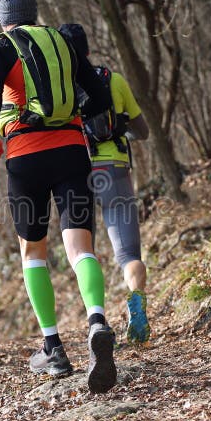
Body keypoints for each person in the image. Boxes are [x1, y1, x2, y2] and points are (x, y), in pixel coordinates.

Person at [0, 0, 118, 393]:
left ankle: (54, 349)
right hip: (72, 152)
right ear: (35, 12)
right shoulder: (63, 42)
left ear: (3, 19)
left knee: (33, 250)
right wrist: (75, 113)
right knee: (81, 248)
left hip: (25, 158)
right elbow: (99, 97)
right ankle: (97, 320)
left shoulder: (1, 48)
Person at [58, 23, 151, 344]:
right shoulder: (113, 80)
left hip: (76, 174)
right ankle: (136, 305)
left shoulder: (59, 88)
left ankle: (98, 321)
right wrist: (120, 129)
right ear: (87, 48)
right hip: (114, 170)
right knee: (128, 254)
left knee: (84, 253)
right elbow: (143, 131)